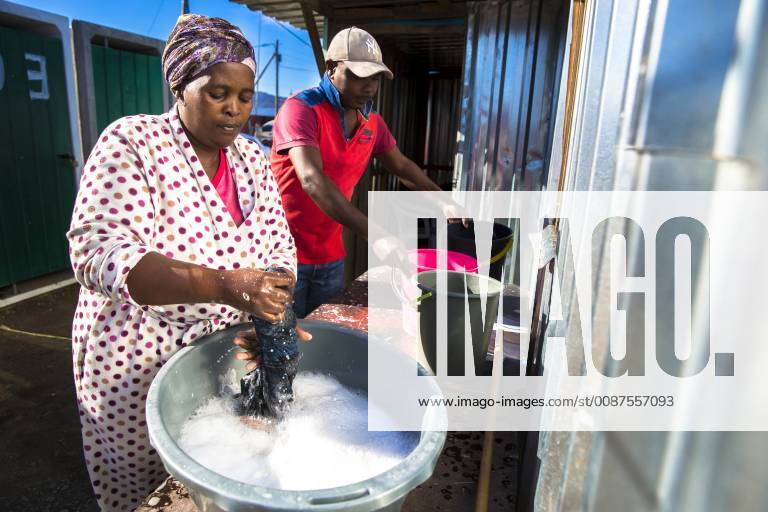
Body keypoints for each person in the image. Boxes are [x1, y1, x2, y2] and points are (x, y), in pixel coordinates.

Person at [67, 14, 309, 511]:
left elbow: (278, 245)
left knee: (216, 474)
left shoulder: (251, 158)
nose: (236, 110)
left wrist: (271, 317)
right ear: (181, 85)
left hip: (219, 353)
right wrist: (225, 285)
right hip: (134, 361)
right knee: (147, 490)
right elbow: (97, 254)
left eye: (245, 96)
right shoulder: (134, 143)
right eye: (218, 93)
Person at [271, 27, 461, 318]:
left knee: (323, 339)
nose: (369, 86)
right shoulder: (301, 110)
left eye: (375, 78)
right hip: (282, 254)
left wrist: (442, 199)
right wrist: (377, 235)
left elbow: (401, 166)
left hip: (331, 255)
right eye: (359, 75)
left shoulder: (372, 122)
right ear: (331, 68)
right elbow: (311, 178)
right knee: (278, 348)